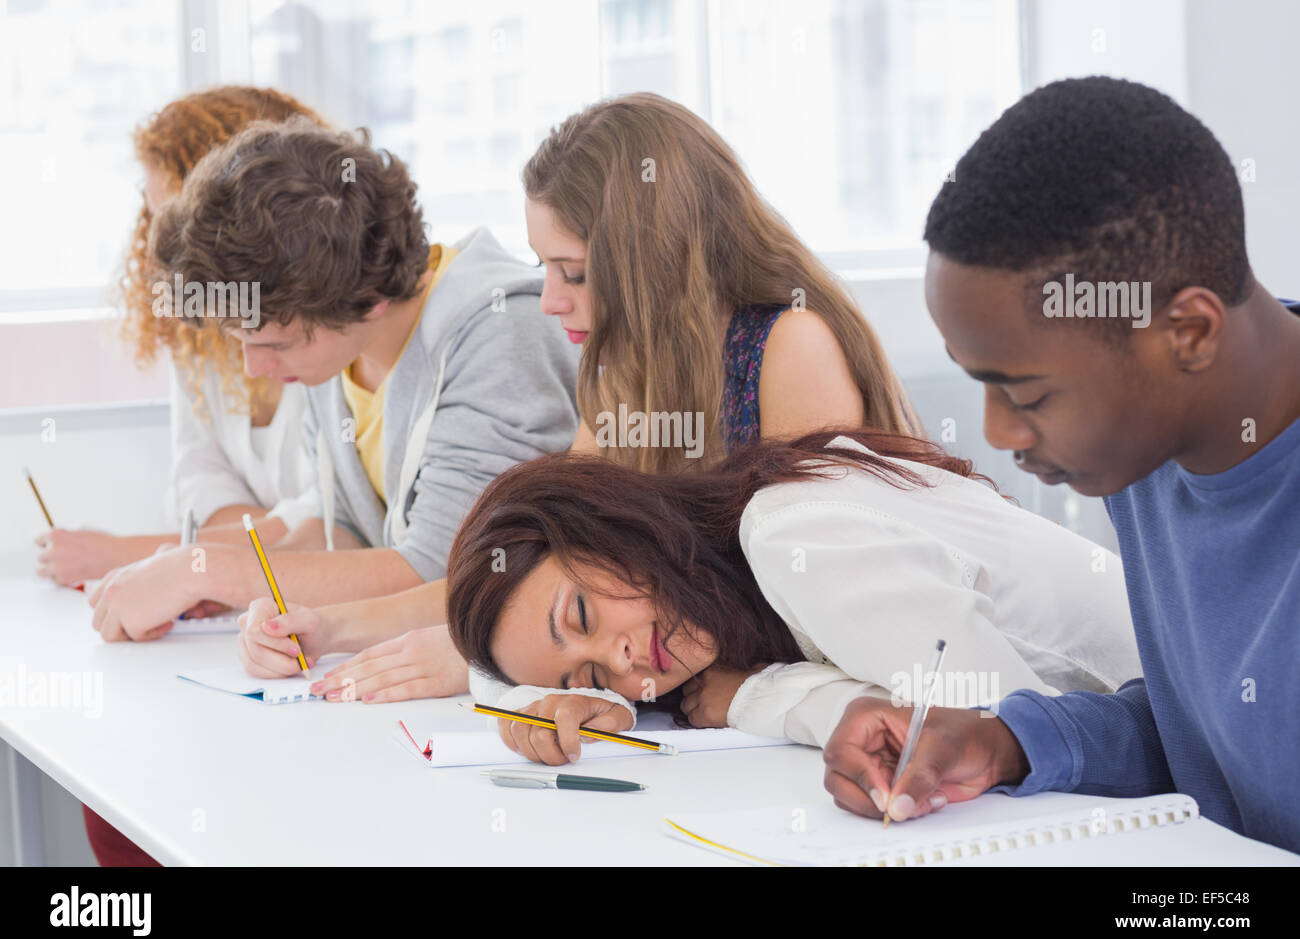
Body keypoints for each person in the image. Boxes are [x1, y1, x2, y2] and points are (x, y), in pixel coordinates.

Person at [235, 91, 923, 701]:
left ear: (658, 259)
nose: (550, 301)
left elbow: (801, 601)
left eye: (575, 272)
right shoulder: (624, 370)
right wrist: (325, 626)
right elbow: (523, 577)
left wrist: (489, 665)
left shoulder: (789, 345)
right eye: (544, 269)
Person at [821, 76, 1300, 856]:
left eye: (1030, 395)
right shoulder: (1153, 449)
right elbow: (1231, 742)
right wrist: (1006, 741)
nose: (998, 433)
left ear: (1187, 333)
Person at [86, 119, 581, 643]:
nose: (256, 368)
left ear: (367, 301)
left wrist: (208, 569)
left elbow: (446, 576)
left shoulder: (500, 335)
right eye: (243, 342)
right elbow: (342, 531)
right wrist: (216, 577)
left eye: (273, 345)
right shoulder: (338, 347)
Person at [436, 428, 1141, 766]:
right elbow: (511, 663)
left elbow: (978, 740)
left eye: (582, 615)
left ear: (612, 526)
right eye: (591, 675)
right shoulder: (738, 558)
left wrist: (760, 697)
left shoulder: (790, 535)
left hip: (1189, 768)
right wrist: (566, 702)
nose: (620, 662)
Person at [36, 87, 325, 591]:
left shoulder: (326, 324)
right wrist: (259, 545)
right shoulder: (196, 332)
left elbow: (338, 521)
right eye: (152, 218)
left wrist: (130, 554)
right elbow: (198, 481)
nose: (160, 249)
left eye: (175, 220)